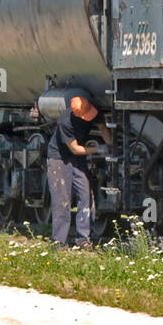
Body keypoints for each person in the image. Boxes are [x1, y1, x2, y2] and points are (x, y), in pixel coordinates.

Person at [45, 94, 106, 248]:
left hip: (77, 159)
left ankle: (83, 239)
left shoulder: (92, 110)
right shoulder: (65, 121)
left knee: (85, 196)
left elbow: (102, 128)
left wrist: (111, 146)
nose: (89, 116)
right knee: (62, 201)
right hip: (59, 158)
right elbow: (76, 149)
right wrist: (98, 149)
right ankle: (59, 241)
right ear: (76, 113)